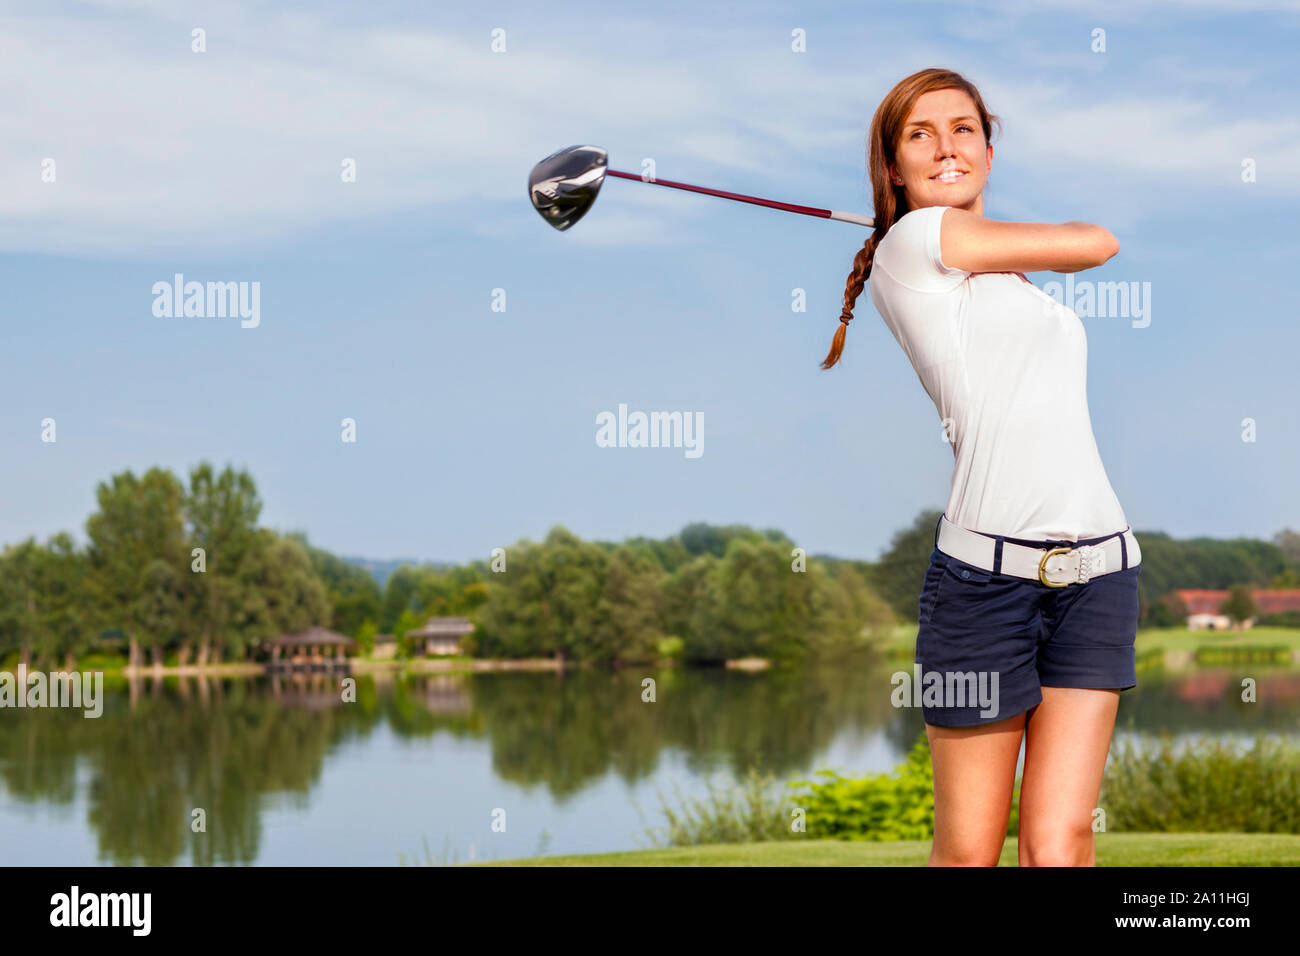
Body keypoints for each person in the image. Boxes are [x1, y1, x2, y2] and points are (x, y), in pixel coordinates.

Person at [823, 67, 1142, 867]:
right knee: (968, 855)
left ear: (988, 151)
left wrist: (1000, 264)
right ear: (893, 168)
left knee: (1062, 843)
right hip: (985, 585)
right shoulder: (913, 241)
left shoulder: (1004, 282)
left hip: (1100, 573)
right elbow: (1095, 241)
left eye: (963, 129)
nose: (946, 146)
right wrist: (979, 241)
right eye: (919, 135)